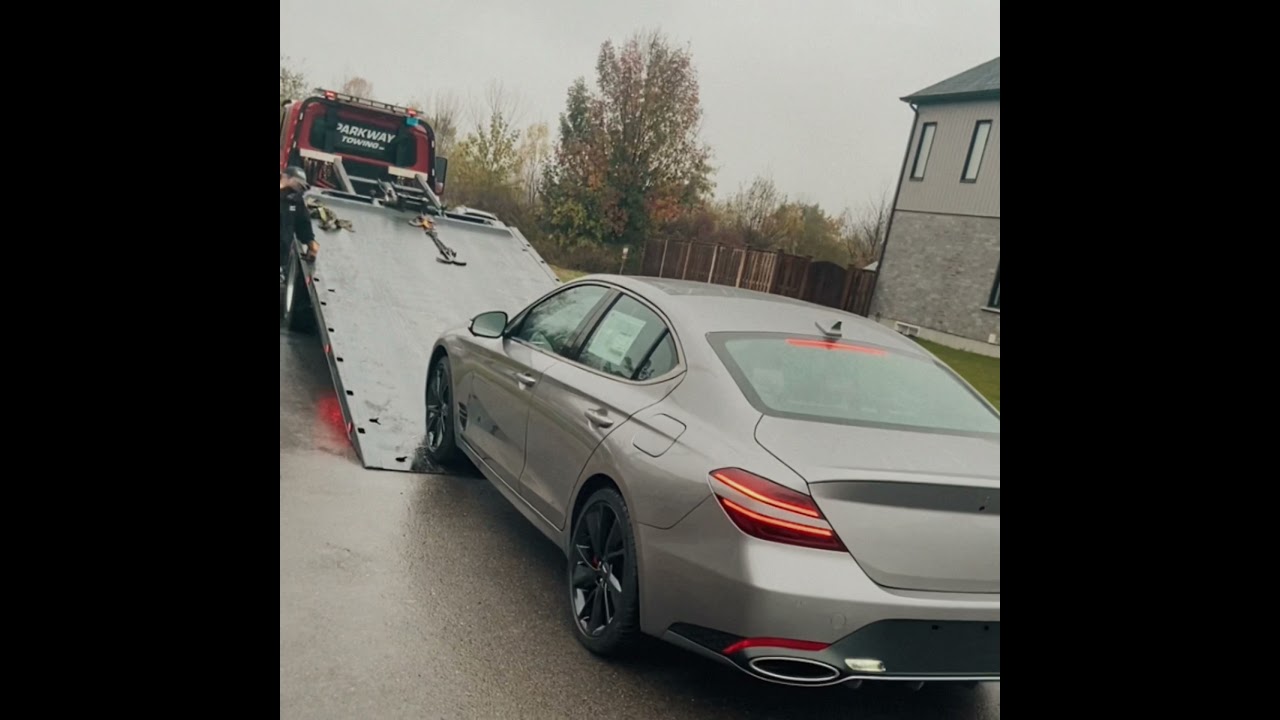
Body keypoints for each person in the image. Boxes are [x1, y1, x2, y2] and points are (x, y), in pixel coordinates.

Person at [280, 166, 317, 284]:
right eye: (298, 183)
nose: (299, 187)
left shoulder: (295, 201)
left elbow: (303, 224)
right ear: (286, 177)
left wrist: (311, 244)